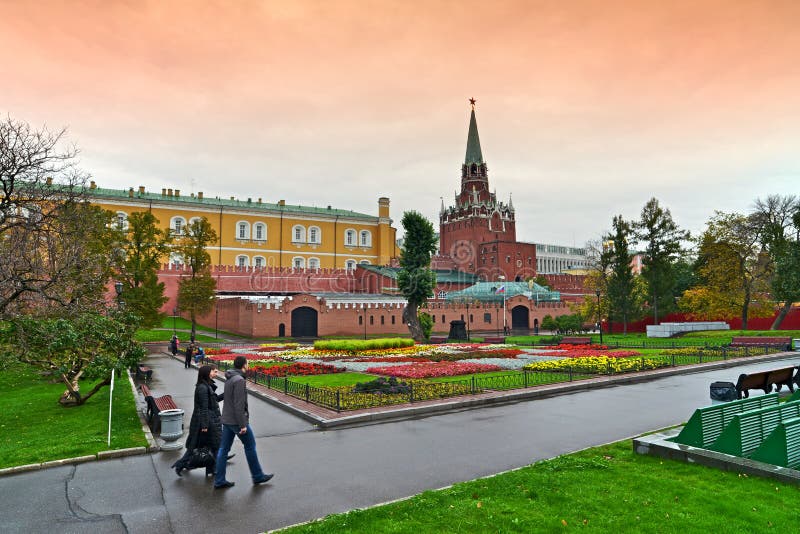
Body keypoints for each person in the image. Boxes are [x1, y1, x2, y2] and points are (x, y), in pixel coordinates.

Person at [214, 356, 273, 489]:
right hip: (236, 421)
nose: (249, 365)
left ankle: (219, 480)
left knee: (223, 449)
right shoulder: (239, 380)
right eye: (248, 363)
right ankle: (258, 476)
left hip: (227, 420)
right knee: (250, 445)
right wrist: (243, 425)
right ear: (243, 365)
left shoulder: (230, 377)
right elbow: (238, 405)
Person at [171, 365, 223, 477]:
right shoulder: (202, 388)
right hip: (205, 422)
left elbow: (214, 400)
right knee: (197, 446)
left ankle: (211, 469)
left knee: (213, 445)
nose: (216, 374)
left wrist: (226, 394)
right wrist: (204, 425)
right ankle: (181, 464)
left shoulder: (207, 386)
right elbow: (204, 408)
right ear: (206, 373)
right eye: (213, 372)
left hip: (209, 420)